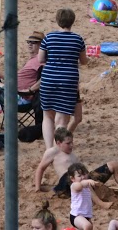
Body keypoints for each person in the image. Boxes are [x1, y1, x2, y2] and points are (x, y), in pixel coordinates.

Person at [38, 8, 87, 148]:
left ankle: (49, 149)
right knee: (62, 121)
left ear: (57, 21)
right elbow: (83, 61)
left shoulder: (49, 37)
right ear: (73, 21)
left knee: (47, 117)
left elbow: (41, 59)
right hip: (68, 80)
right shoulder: (78, 39)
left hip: (48, 78)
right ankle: (57, 148)